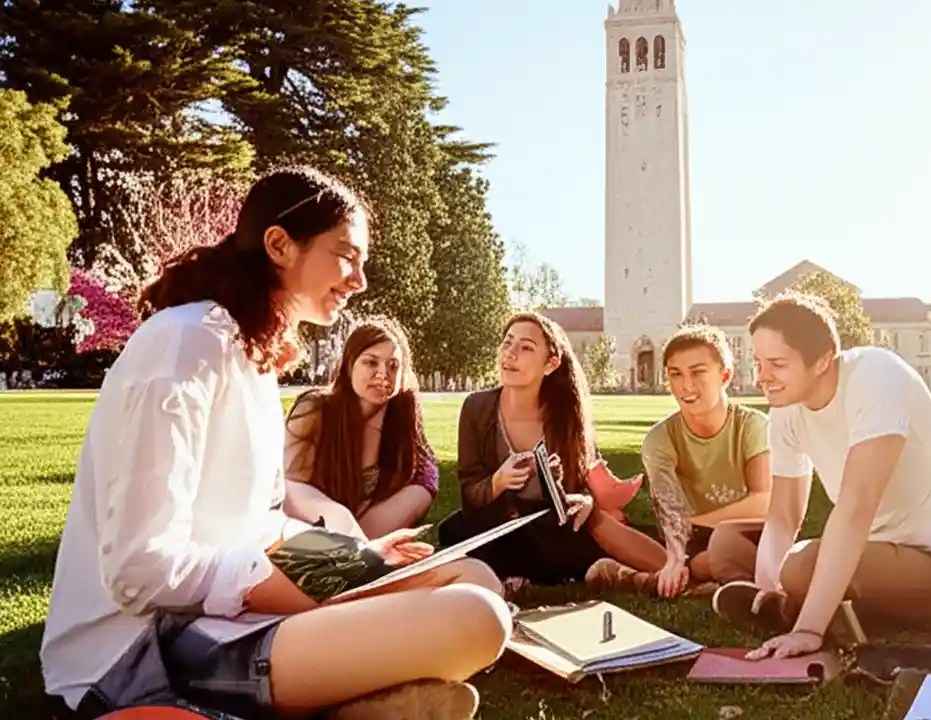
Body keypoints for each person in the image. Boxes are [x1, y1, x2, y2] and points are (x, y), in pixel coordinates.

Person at [40, 166, 509, 720]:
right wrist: (276, 586)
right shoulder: (183, 345)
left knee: (475, 580)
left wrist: (356, 559)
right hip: (147, 647)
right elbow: (140, 569)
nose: (359, 279)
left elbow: (259, 523)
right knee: (477, 620)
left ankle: (353, 700)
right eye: (345, 255)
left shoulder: (252, 356)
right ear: (280, 245)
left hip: (239, 608)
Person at [711, 292, 931, 659]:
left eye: (776, 363)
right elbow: (784, 514)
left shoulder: (875, 376)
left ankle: (813, 614)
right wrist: (767, 589)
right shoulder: (787, 411)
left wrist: (807, 630)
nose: (762, 377)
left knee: (803, 566)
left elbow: (857, 506)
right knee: (761, 555)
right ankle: (795, 606)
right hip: (869, 553)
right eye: (758, 362)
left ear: (823, 360)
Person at [437, 312, 666, 592]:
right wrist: (498, 482)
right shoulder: (477, 407)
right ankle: (599, 571)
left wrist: (585, 499)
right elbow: (470, 494)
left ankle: (661, 573)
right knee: (454, 530)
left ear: (551, 364)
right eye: (507, 343)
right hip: (497, 523)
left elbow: (578, 488)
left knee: (565, 528)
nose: (510, 353)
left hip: (549, 524)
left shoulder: (565, 417)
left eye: (526, 348)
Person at [585, 324, 772, 598]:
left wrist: (695, 523)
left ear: (725, 375)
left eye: (698, 372)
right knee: (600, 523)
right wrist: (677, 552)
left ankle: (645, 579)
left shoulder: (753, 426)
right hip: (688, 541)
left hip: (746, 535)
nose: (686, 385)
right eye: (676, 374)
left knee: (723, 545)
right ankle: (683, 574)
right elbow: (668, 507)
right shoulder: (660, 438)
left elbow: (763, 503)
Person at [283, 316, 440, 539]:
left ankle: (358, 551)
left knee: (422, 487)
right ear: (349, 364)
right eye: (371, 362)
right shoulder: (315, 409)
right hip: (309, 519)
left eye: (393, 365)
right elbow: (286, 487)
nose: (383, 374)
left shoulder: (401, 414)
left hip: (366, 523)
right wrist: (340, 518)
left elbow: (426, 468)